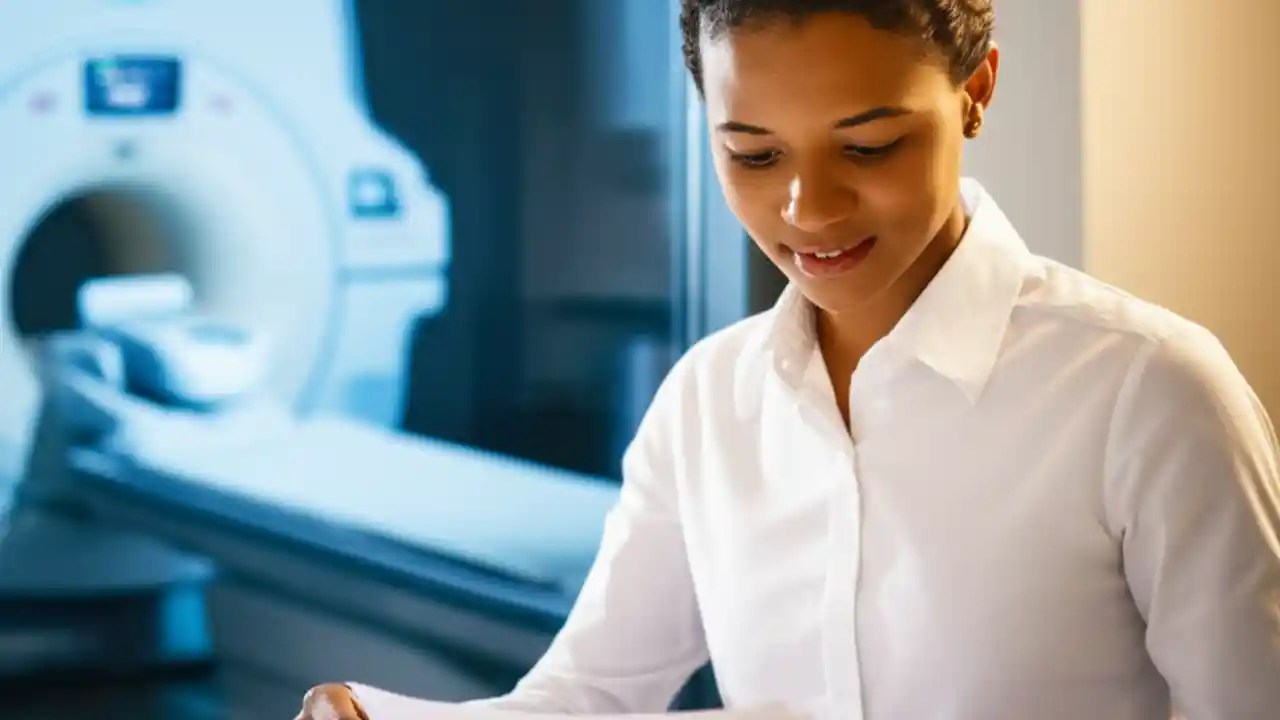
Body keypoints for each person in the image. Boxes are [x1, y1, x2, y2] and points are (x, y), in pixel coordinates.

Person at [299, 1, 1280, 717]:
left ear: (974, 91)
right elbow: (591, 695)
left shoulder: (1146, 390)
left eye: (868, 147)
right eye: (753, 156)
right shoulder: (707, 402)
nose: (806, 212)